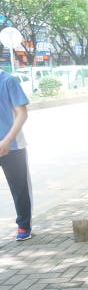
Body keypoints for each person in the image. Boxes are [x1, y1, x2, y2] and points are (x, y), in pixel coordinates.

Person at [0, 69, 32, 241]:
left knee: (19, 188)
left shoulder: (8, 81)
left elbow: (22, 113)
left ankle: (24, 225)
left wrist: (7, 140)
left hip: (12, 146)